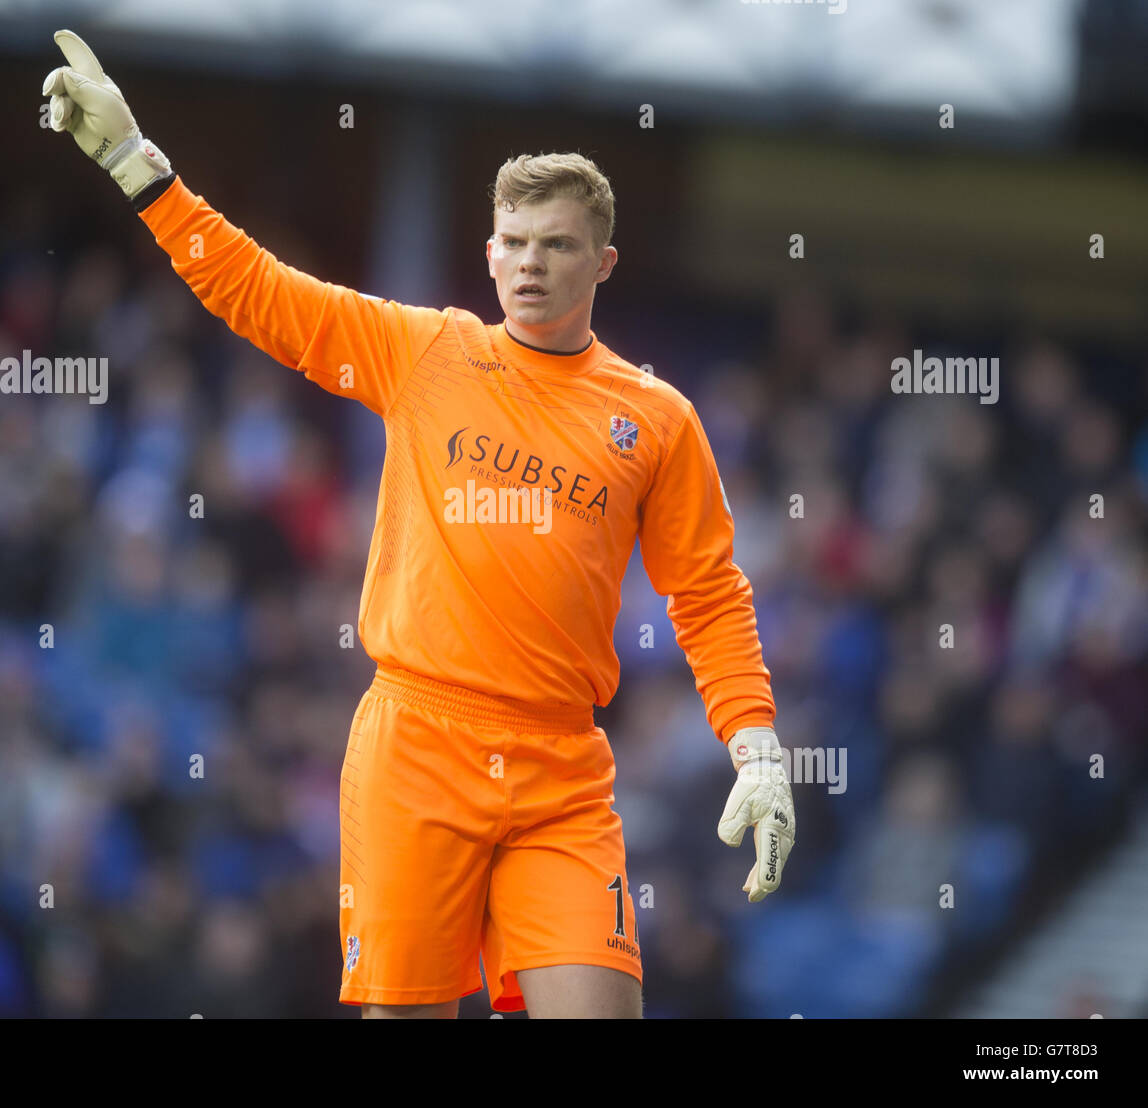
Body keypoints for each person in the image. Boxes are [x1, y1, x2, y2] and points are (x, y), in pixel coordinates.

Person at [42, 29, 796, 1019]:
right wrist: (134, 163)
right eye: (513, 244)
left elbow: (705, 594)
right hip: (415, 745)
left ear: (603, 261)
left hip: (560, 767)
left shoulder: (657, 419)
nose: (529, 265)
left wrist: (757, 746)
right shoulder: (427, 352)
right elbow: (261, 294)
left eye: (556, 245)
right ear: (488, 253)